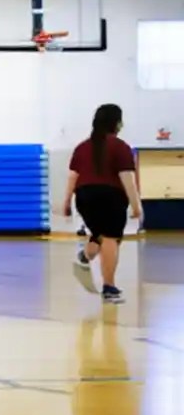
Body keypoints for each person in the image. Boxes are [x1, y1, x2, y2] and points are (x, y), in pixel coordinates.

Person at [61, 103, 141, 303]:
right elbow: (127, 179)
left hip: (85, 197)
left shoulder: (82, 147)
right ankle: (109, 287)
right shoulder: (120, 147)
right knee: (111, 239)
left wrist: (66, 202)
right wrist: (136, 205)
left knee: (99, 235)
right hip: (111, 196)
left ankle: (84, 257)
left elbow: (73, 177)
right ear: (117, 123)